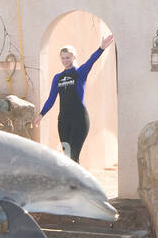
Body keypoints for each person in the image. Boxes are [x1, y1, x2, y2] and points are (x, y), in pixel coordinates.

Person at [33, 34, 113, 163]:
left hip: (79, 119)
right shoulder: (57, 78)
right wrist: (41, 114)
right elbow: (51, 99)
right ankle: (71, 183)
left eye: (68, 57)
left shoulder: (80, 73)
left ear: (73, 57)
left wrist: (101, 48)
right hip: (63, 121)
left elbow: (91, 60)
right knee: (67, 156)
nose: (65, 60)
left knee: (74, 155)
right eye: (63, 58)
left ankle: (77, 183)